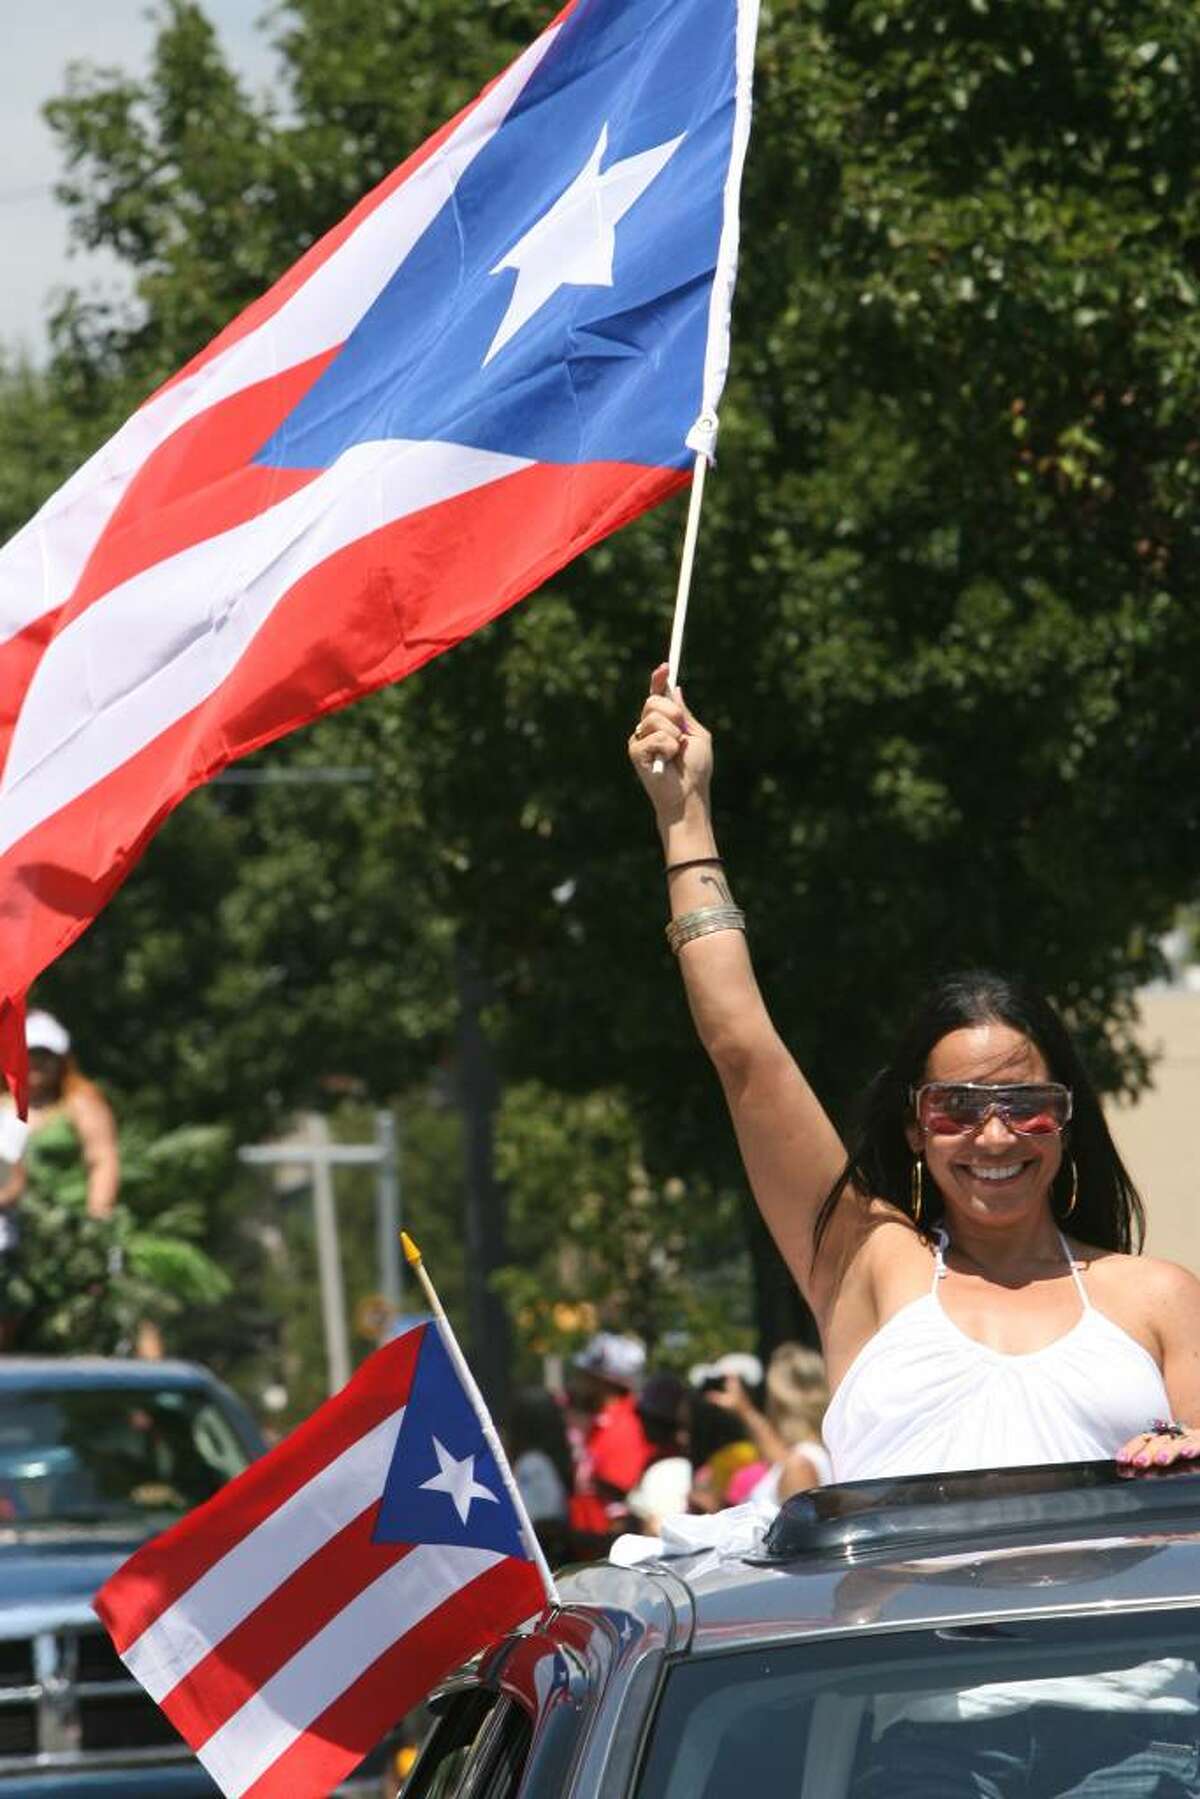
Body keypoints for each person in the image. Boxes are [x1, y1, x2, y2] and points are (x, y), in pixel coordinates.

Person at [629, 666, 1200, 1482]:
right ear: (914, 1127)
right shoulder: (867, 1262)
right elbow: (743, 1048)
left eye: (1026, 1104)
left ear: (1066, 1120)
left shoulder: (1159, 1297)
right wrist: (684, 816)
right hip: (901, 1617)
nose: (994, 1132)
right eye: (956, 1107)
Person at [0, 1011, 120, 1221]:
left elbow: (102, 1160)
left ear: (61, 1060)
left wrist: (98, 1214)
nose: (36, 1062)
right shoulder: (4, 1106)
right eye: (28, 1053)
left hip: (67, 1225)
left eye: (44, 1055)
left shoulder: (80, 1104)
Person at [711, 1342, 832, 1506]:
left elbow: (796, 1531)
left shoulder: (799, 1466)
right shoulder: (813, 1454)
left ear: (777, 1399)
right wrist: (744, 1410)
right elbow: (778, 1454)